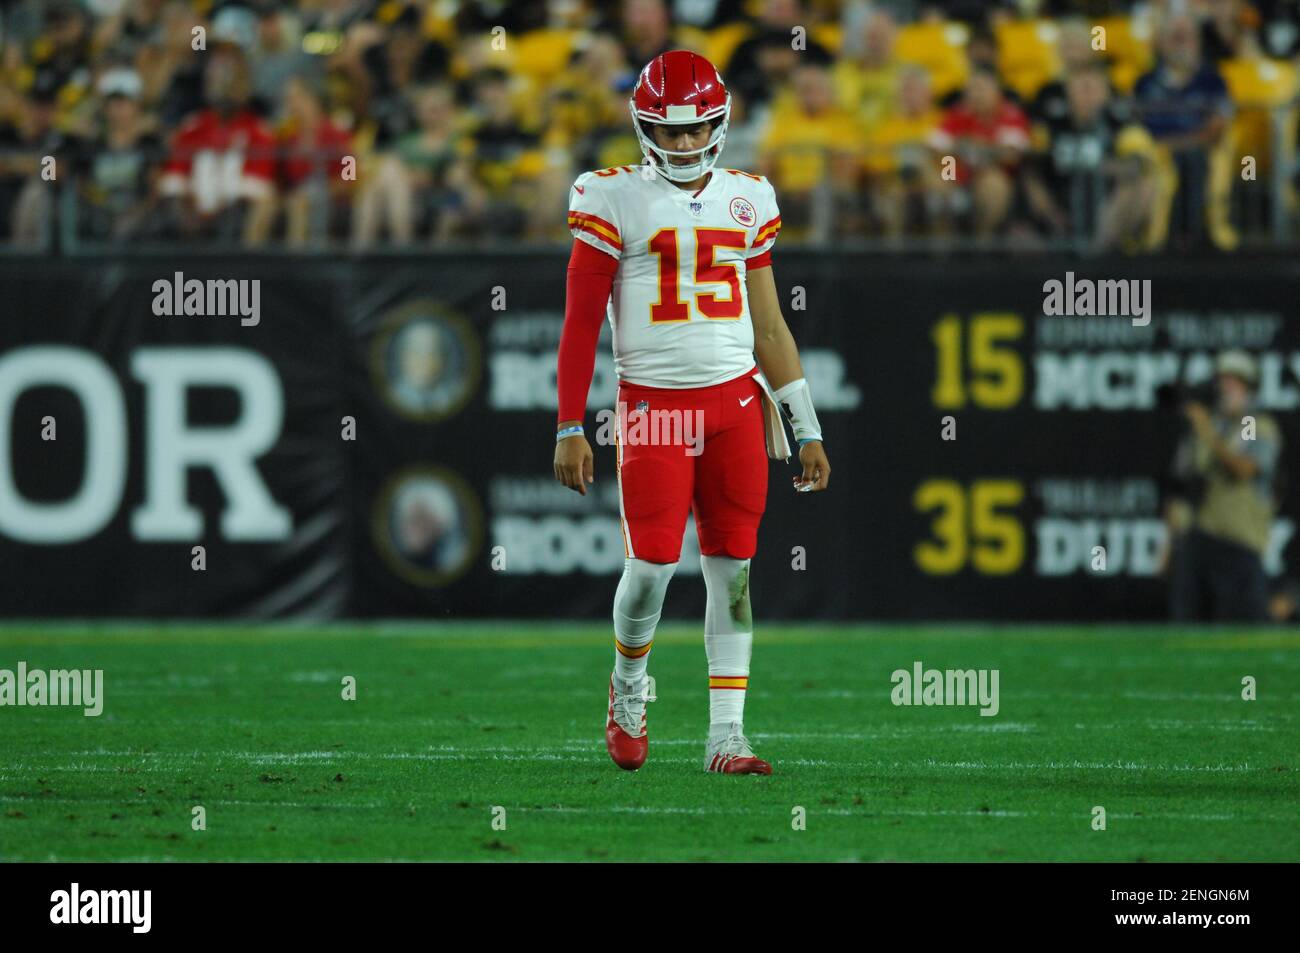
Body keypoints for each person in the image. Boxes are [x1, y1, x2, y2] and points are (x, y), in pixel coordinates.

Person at [552, 50, 831, 775]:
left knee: (733, 570)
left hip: (737, 402)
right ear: (643, 128)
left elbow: (769, 327)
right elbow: (581, 323)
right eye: (668, 132)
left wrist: (807, 424)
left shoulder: (751, 197)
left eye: (694, 130)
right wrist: (569, 424)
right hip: (651, 405)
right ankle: (629, 684)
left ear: (719, 123)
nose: (681, 144)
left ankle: (726, 735)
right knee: (649, 567)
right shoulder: (610, 195)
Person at [1165, 350, 1283, 622]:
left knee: (1244, 631)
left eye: (1234, 380)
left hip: (1240, 543)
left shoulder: (1255, 424)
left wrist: (1208, 433)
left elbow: (1243, 468)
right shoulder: (1207, 426)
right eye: (1222, 380)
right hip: (1200, 539)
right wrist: (1169, 542)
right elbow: (1181, 485)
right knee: (1189, 628)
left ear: (1249, 387)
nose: (1225, 387)